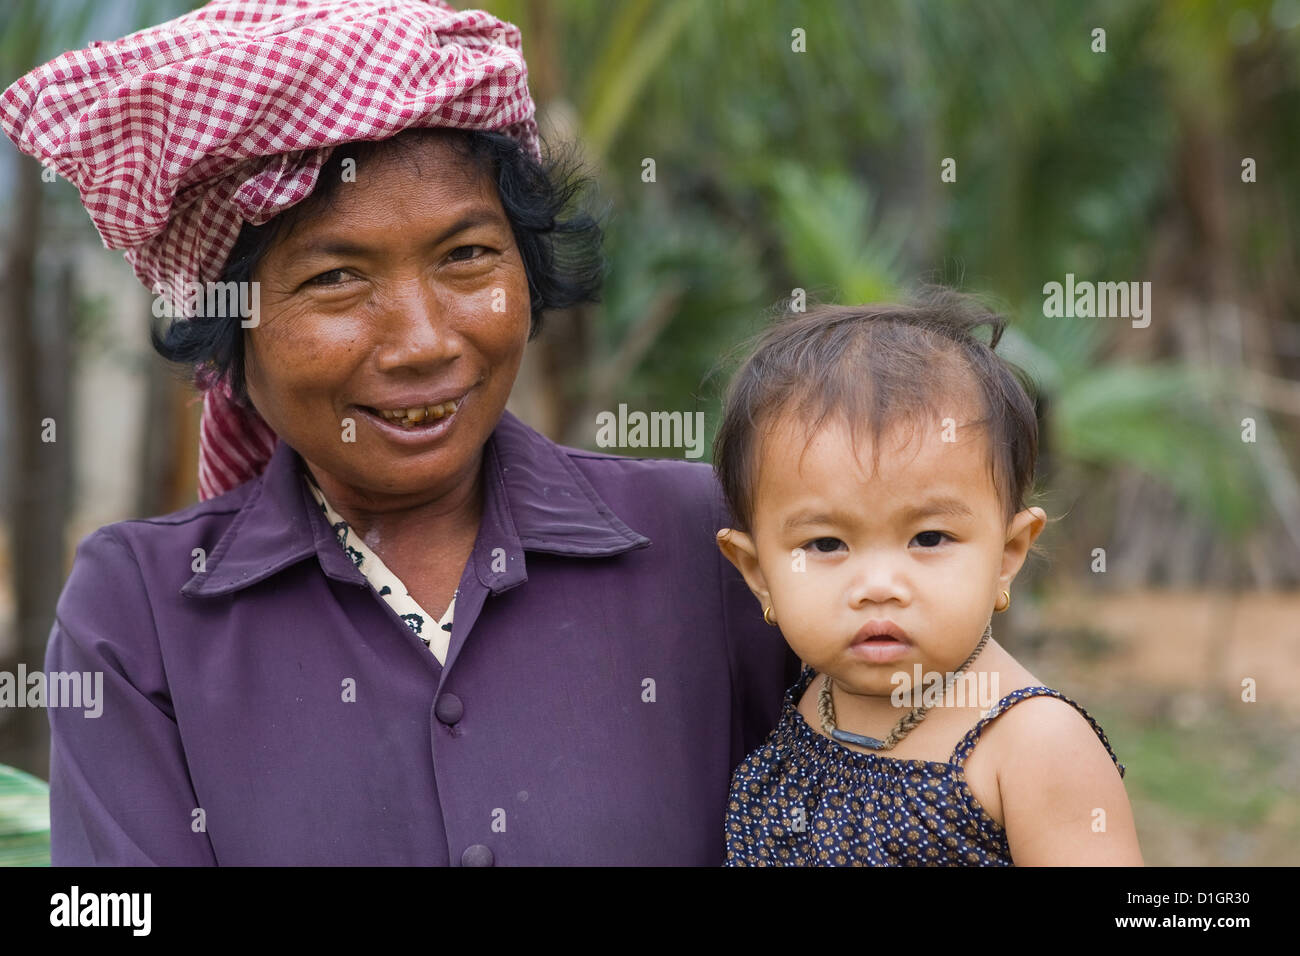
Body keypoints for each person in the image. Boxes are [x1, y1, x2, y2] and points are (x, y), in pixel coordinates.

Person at [1, 0, 795, 865]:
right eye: (336, 278)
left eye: (466, 257)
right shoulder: (139, 611)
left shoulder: (712, 540)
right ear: (230, 329)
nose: (422, 342)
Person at [711, 291, 1144, 865]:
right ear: (759, 573)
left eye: (930, 539)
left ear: (1008, 553)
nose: (879, 585)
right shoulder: (814, 695)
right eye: (825, 544)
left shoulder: (1032, 744)